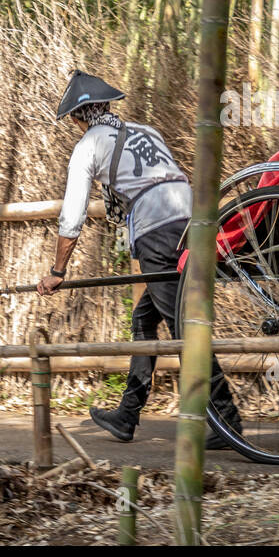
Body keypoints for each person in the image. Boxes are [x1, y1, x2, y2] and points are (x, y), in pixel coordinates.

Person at [38, 70, 241, 448]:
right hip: (192, 219)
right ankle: (128, 415)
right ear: (106, 107)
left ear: (80, 117)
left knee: (184, 328)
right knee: (145, 318)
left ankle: (228, 421)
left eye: (75, 121)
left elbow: (72, 215)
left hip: (157, 230)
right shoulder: (146, 131)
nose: (76, 127)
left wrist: (56, 271)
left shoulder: (87, 147)